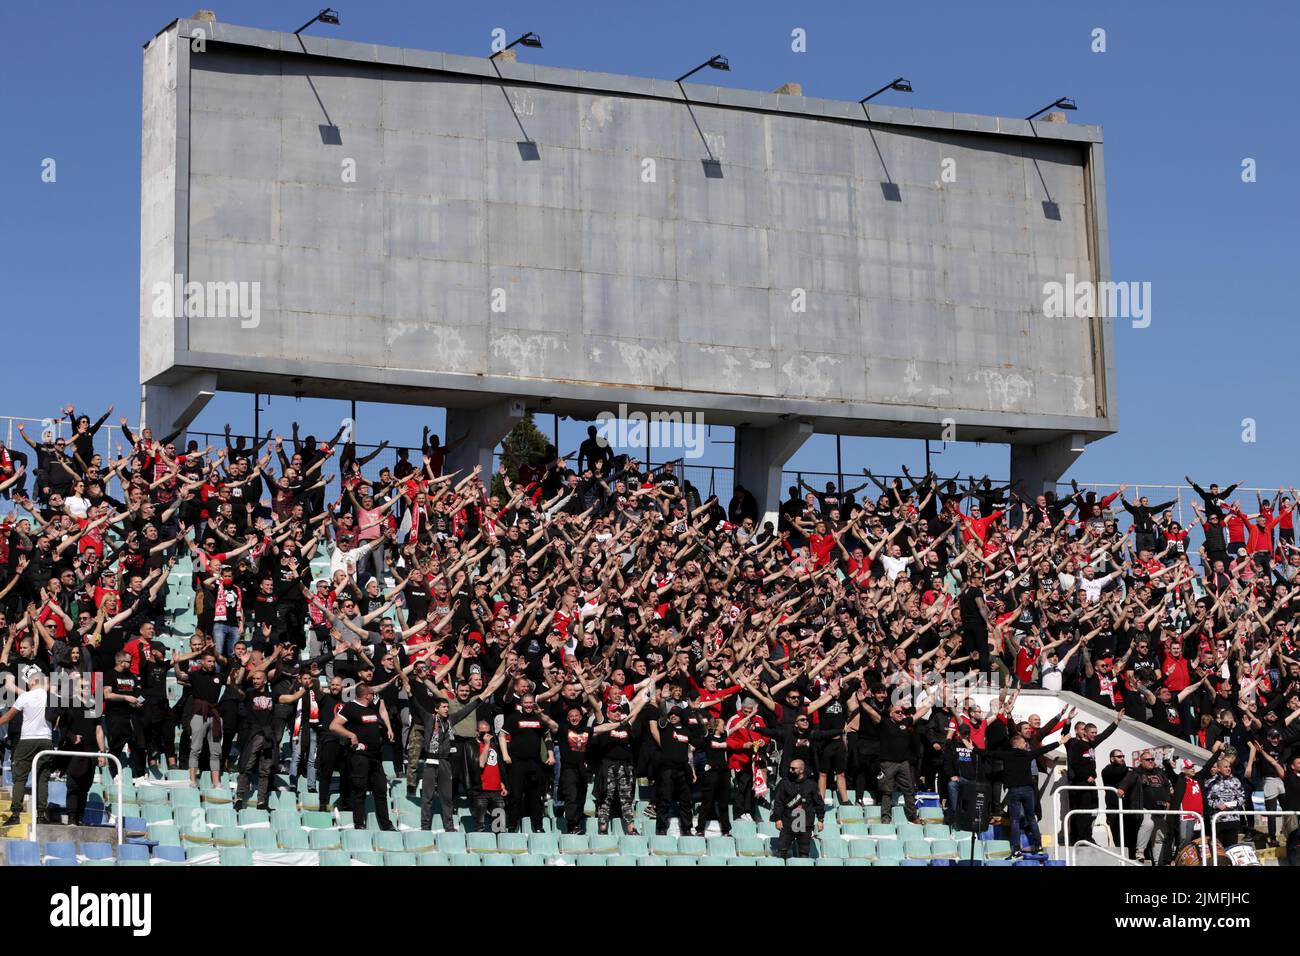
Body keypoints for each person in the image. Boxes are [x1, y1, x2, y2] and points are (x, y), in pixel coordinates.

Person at [329, 681, 396, 831]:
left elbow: (379, 691)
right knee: (360, 790)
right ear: (367, 696)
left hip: (375, 755)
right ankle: (359, 823)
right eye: (372, 694)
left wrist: (388, 729)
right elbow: (334, 725)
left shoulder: (371, 707)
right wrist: (351, 734)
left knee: (381, 790)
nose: (375, 696)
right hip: (359, 755)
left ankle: (386, 824)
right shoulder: (351, 707)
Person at [0, 671, 55, 826]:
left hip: (27, 740)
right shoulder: (50, 696)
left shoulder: (25, 696)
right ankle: (41, 815)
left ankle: (16, 814)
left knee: (20, 778)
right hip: (46, 739)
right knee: (42, 778)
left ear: (32, 682)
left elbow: (8, 717)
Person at [769, 758, 824, 859]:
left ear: (801, 770)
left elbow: (818, 803)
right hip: (787, 821)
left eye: (793, 769)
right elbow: (778, 802)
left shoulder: (811, 785)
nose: (790, 770)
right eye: (790, 768)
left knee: (804, 853)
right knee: (782, 851)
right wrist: (777, 818)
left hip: (805, 823)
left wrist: (820, 820)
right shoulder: (784, 783)